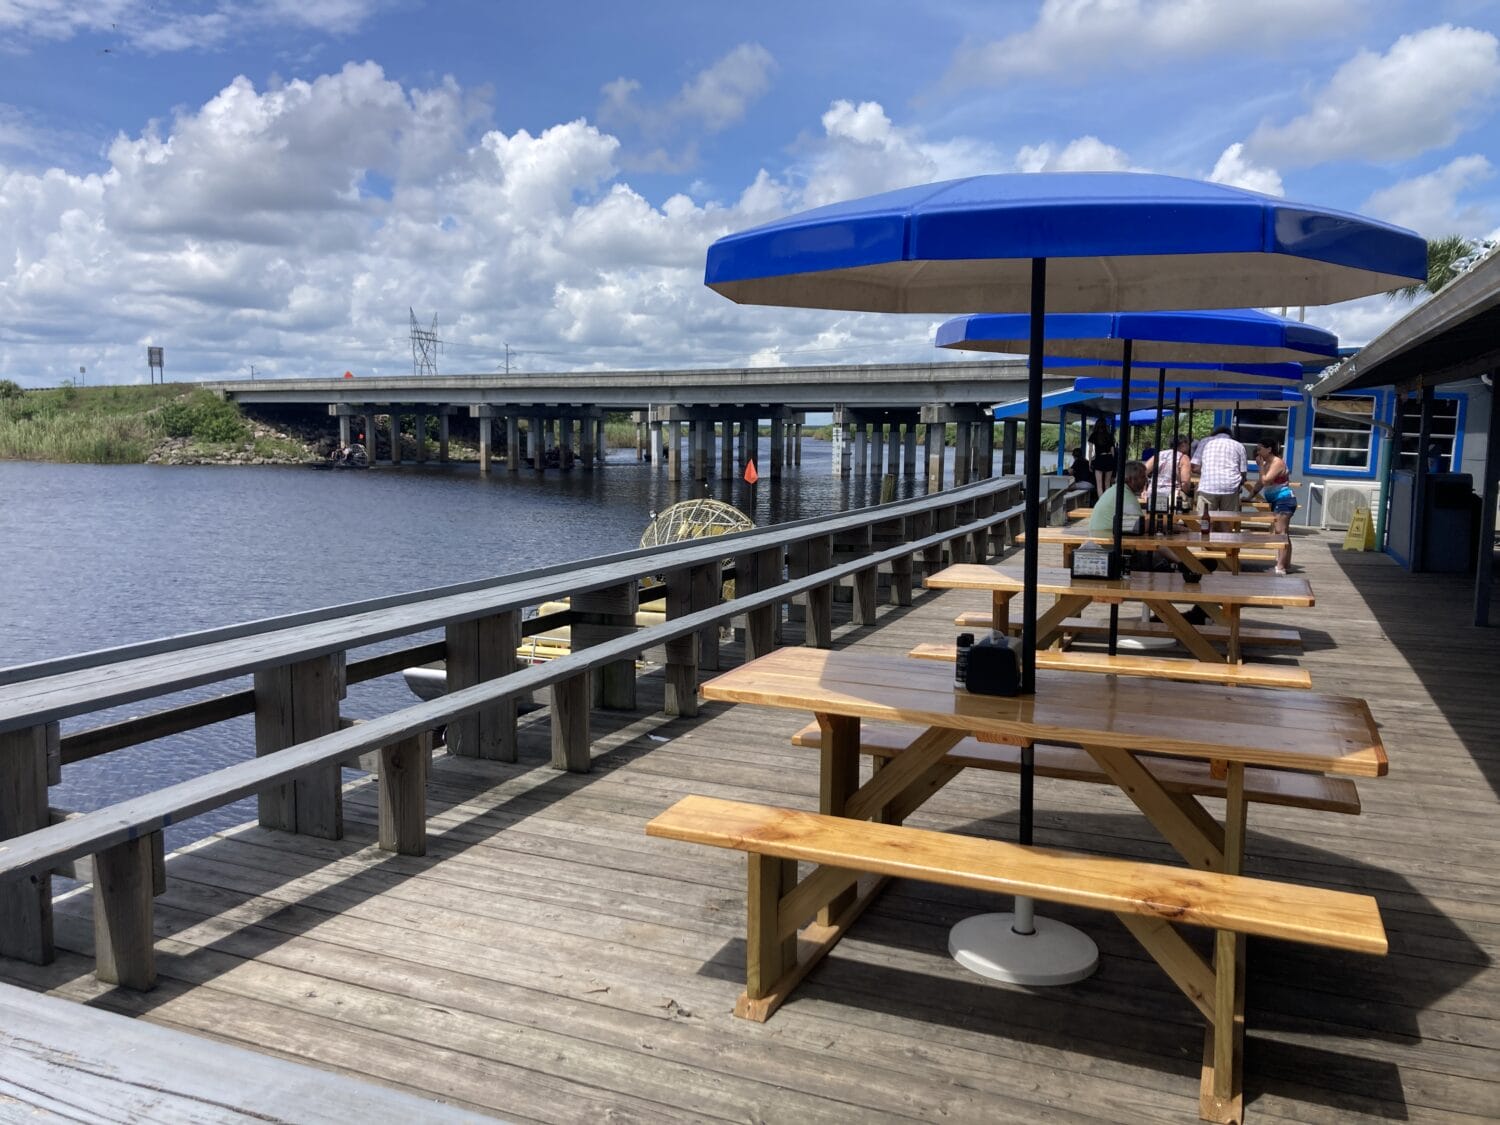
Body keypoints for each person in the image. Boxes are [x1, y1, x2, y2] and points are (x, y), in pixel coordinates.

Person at [1245, 438, 1297, 575]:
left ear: (1269, 449)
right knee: (1283, 532)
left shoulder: (1277, 462)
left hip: (1284, 500)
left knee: (1280, 533)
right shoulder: (1267, 463)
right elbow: (1260, 483)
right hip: (1276, 501)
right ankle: (1286, 563)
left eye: (1260, 448)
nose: (1258, 451)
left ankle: (1280, 567)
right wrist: (1249, 497)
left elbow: (1266, 480)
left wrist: (1260, 467)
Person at [1192, 426, 1247, 515]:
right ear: (1231, 435)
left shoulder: (1205, 441)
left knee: (1204, 519)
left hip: (1208, 486)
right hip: (1230, 487)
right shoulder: (1239, 445)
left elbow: (1194, 467)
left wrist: (1207, 472)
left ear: (1214, 434)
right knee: (1227, 519)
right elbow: (1243, 472)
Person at [1089, 460, 1146, 535]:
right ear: (1130, 479)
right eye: (1142, 477)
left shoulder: (1116, 490)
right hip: (1108, 542)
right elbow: (1139, 525)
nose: (1146, 480)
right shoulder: (1125, 496)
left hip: (1098, 538)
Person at [1140, 435, 1192, 513]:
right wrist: (1186, 493)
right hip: (1172, 497)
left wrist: (1144, 490)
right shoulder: (1184, 458)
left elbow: (1141, 472)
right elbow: (1185, 483)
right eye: (1188, 444)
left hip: (1152, 495)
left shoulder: (1159, 455)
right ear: (1183, 444)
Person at [1089, 417, 1116, 495]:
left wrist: (1090, 463)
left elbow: (1090, 450)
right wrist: (1112, 461)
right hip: (1109, 458)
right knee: (1107, 484)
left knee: (1099, 485)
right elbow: (1112, 450)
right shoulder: (1109, 435)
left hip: (1099, 459)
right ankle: (1107, 503)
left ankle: (1100, 504)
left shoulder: (1094, 435)